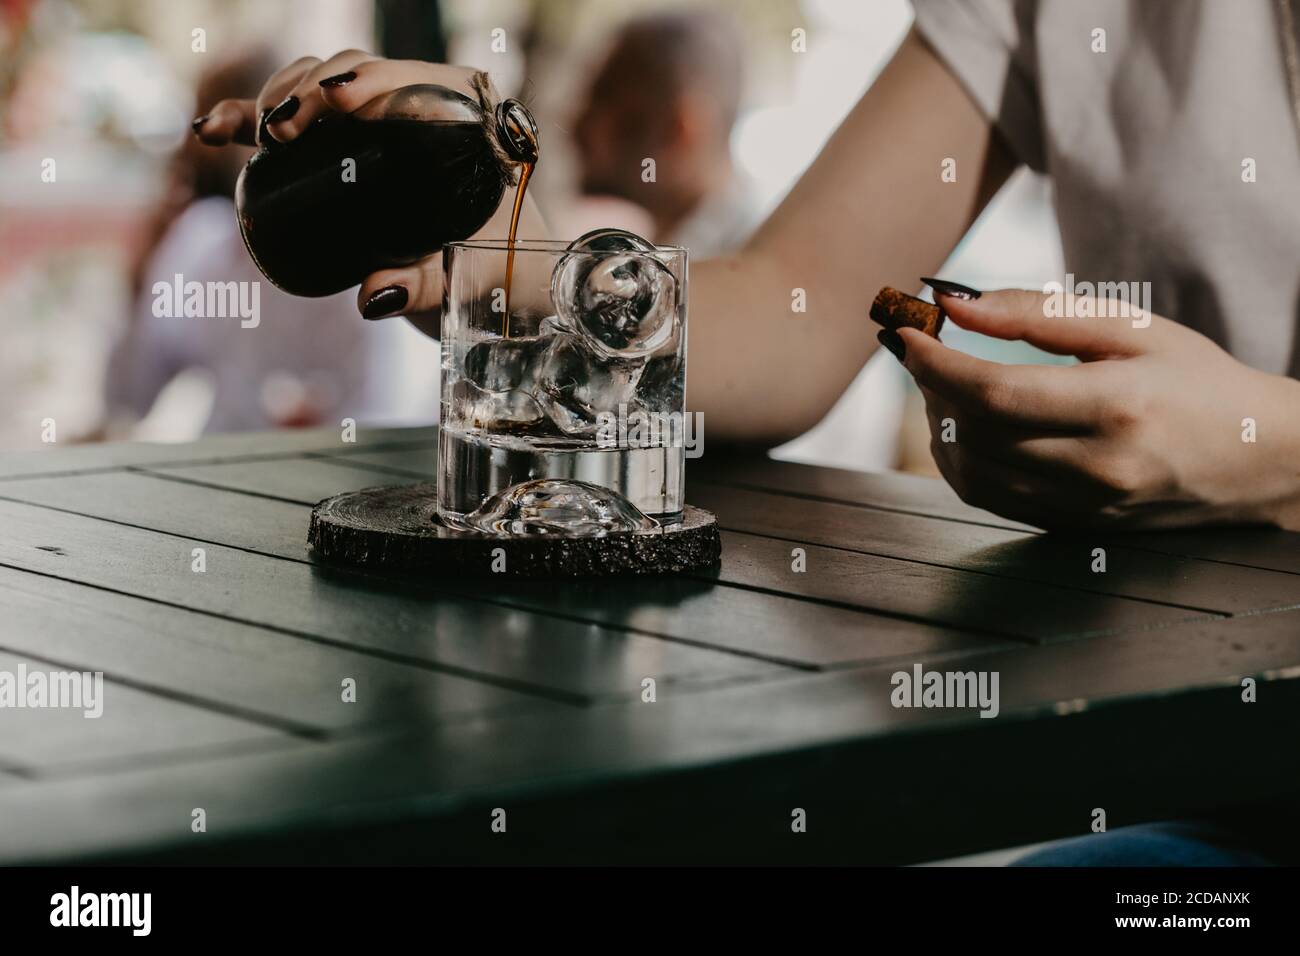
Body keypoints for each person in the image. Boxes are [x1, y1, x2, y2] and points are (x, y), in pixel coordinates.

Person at [106, 51, 428, 437]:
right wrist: (141, 278)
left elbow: (383, 435)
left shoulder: (366, 284)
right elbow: (127, 398)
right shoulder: (205, 243)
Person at [570, 9, 763, 255]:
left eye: (606, 101)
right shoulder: (674, 249)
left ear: (681, 132)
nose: (577, 127)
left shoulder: (743, 261)